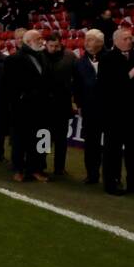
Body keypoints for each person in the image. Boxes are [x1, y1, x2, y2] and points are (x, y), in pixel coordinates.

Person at [99, 26, 134, 195]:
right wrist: (130, 74)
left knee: (132, 151)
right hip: (114, 114)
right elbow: (107, 86)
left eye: (131, 38)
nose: (129, 41)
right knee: (112, 151)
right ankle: (112, 183)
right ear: (115, 41)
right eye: (125, 39)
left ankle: (133, 183)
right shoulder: (107, 58)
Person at [5, 29, 50, 182]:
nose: (41, 40)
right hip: (22, 109)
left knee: (42, 140)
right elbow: (9, 86)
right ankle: (18, 169)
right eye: (38, 38)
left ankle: (37, 169)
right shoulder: (14, 59)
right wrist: (19, 100)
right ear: (29, 41)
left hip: (43, 108)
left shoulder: (43, 56)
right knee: (20, 140)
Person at [72, 29, 106, 184]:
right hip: (89, 109)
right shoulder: (80, 62)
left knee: (110, 145)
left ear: (100, 42)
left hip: (109, 109)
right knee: (91, 144)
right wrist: (79, 104)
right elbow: (77, 86)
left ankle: (112, 176)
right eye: (86, 39)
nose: (86, 42)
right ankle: (92, 174)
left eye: (90, 39)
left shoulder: (111, 59)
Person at [43, 33, 75, 176]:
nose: (54, 49)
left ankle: (59, 168)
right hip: (43, 105)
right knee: (43, 137)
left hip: (62, 104)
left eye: (57, 46)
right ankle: (39, 165)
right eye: (51, 46)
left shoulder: (70, 56)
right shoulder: (39, 56)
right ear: (46, 44)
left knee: (61, 140)